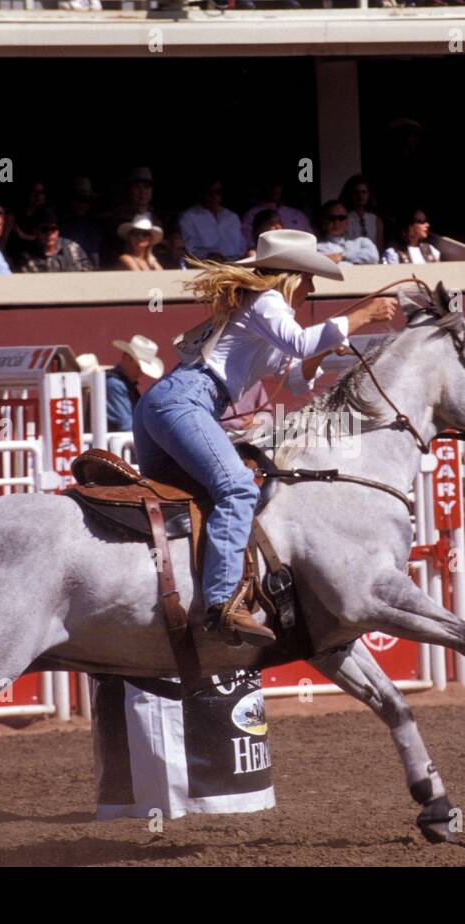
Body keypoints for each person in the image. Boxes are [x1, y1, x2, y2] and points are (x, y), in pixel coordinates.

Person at [134, 229, 396, 646]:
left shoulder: (258, 311)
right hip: (187, 402)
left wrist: (325, 351)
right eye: (308, 278)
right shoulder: (267, 300)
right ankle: (222, 604)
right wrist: (363, 313)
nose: (310, 288)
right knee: (238, 488)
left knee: (178, 501)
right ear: (291, 275)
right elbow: (300, 341)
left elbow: (294, 378)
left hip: (167, 402)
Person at [105, 334, 164, 432]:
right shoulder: (115, 384)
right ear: (126, 357)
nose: (141, 373)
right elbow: (126, 425)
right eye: (139, 367)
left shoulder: (126, 385)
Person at [178, 179, 246, 262]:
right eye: (209, 192)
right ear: (201, 193)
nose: (214, 196)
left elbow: (242, 247)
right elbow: (188, 249)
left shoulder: (232, 217)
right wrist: (208, 256)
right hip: (206, 266)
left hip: (236, 265)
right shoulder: (189, 217)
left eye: (218, 192)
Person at [241, 179, 312, 246]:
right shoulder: (251, 215)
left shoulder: (297, 215)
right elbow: (248, 243)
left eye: (278, 185)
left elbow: (310, 240)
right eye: (271, 185)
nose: (275, 189)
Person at [21, 209, 92, 272]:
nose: (49, 233)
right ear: (35, 231)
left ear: (58, 230)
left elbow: (88, 272)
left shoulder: (73, 248)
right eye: (44, 229)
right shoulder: (27, 256)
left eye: (53, 229)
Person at [316, 200, 380, 265]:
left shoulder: (361, 242)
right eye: (332, 218)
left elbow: (373, 257)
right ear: (323, 221)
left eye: (341, 218)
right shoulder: (318, 248)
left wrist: (342, 256)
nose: (336, 222)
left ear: (347, 221)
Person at [60, 176, 103, 269]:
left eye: (86, 200)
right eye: (78, 199)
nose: (82, 204)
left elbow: (95, 258)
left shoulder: (93, 227)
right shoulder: (60, 225)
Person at [340, 174, 383, 253]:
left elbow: (379, 246)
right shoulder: (343, 218)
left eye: (364, 192)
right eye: (356, 192)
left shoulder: (375, 219)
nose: (360, 196)